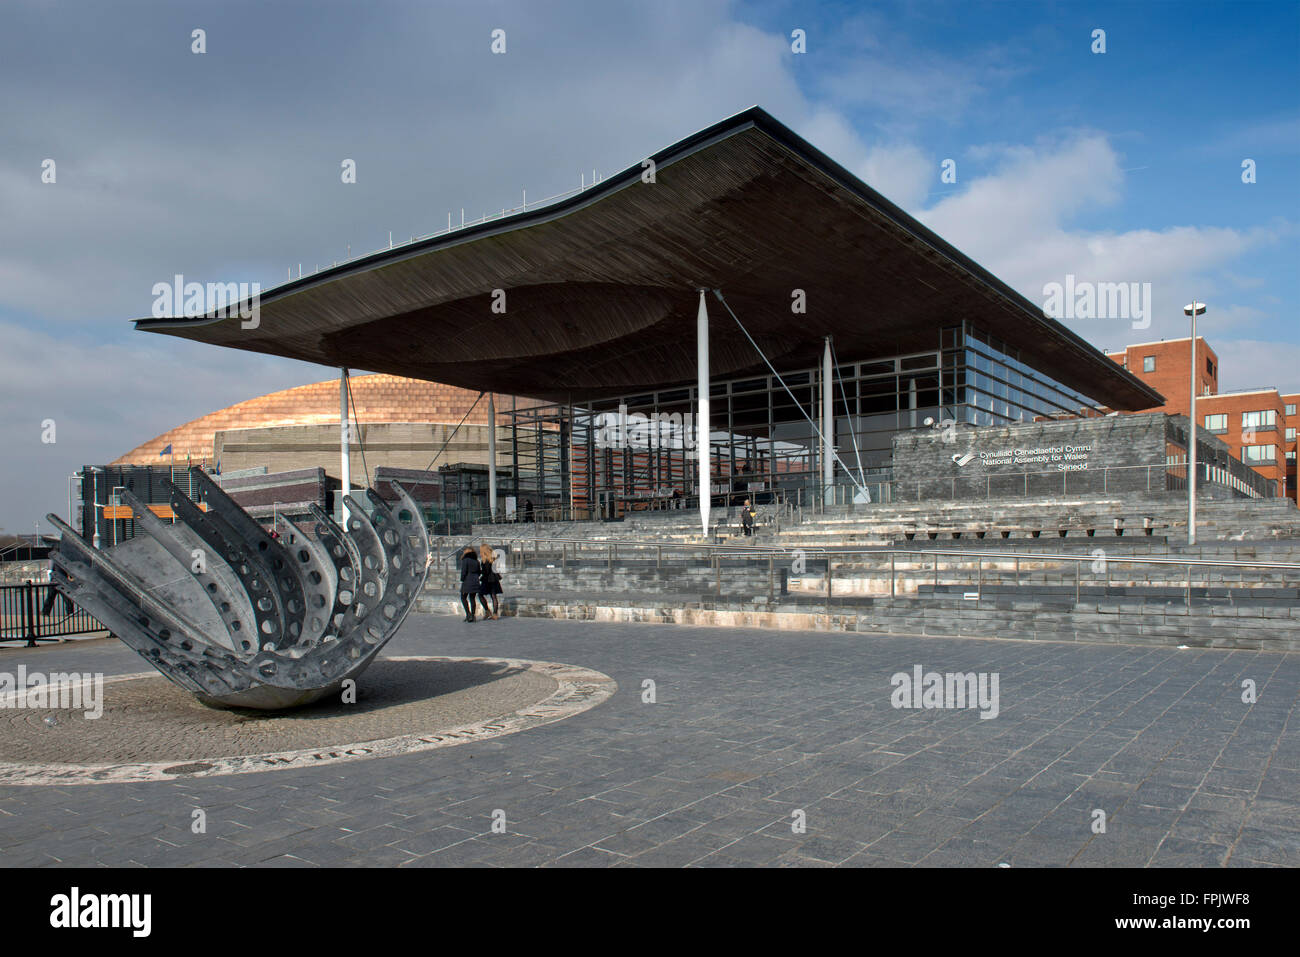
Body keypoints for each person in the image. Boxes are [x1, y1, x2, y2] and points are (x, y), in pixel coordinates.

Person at [478, 543, 502, 619]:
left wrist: (479, 572)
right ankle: (495, 614)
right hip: (494, 578)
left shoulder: (485, 560)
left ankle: (487, 611)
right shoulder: (493, 557)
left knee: (480, 594)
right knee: (494, 596)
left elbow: (486, 571)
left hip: (487, 579)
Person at [458, 546, 481, 622]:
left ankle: (468, 614)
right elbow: (479, 571)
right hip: (475, 580)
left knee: (463, 597)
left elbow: (464, 571)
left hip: (467, 580)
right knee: (472, 598)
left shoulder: (465, 560)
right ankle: (473, 615)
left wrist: (462, 579)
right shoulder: (476, 561)